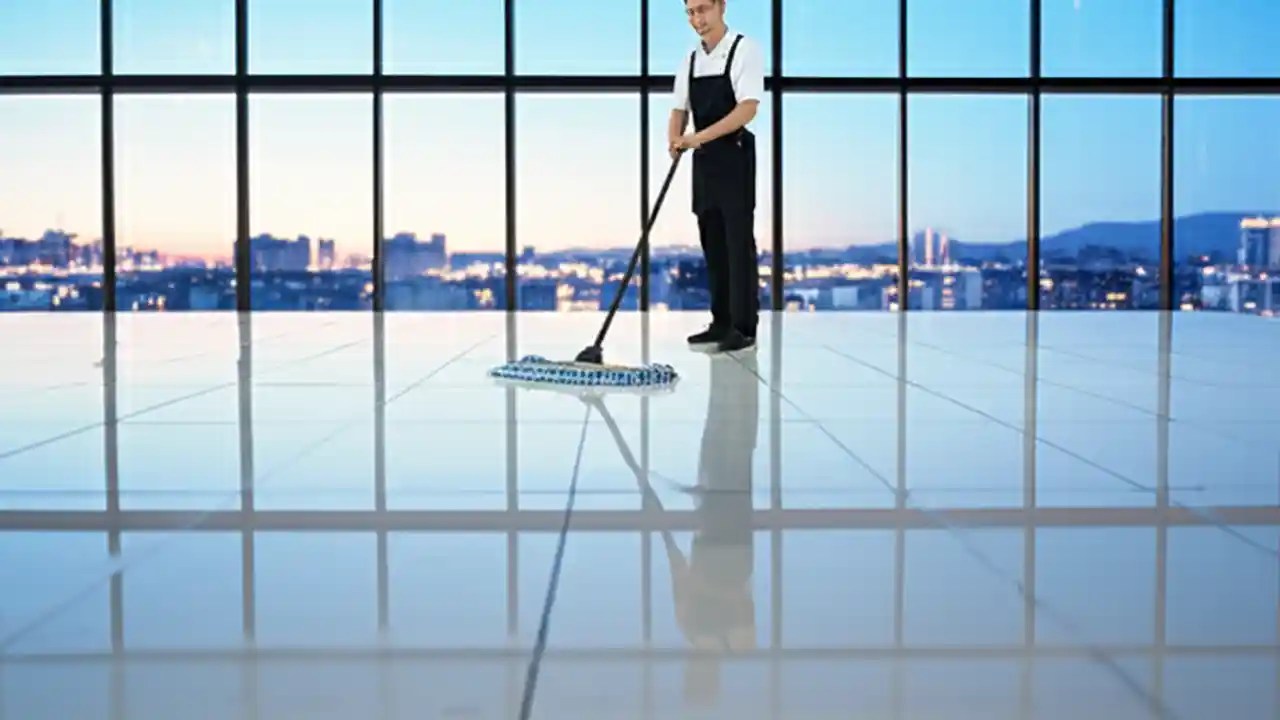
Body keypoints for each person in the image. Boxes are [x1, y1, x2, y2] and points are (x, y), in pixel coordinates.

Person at [670, 0, 764, 353]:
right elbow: (679, 108)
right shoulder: (690, 60)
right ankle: (720, 322)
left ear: (722, 6)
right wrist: (674, 138)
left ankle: (743, 327)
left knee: (737, 243)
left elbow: (747, 109)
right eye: (691, 12)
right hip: (704, 162)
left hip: (734, 156)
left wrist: (696, 137)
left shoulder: (744, 49)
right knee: (712, 241)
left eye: (704, 9)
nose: (698, 18)